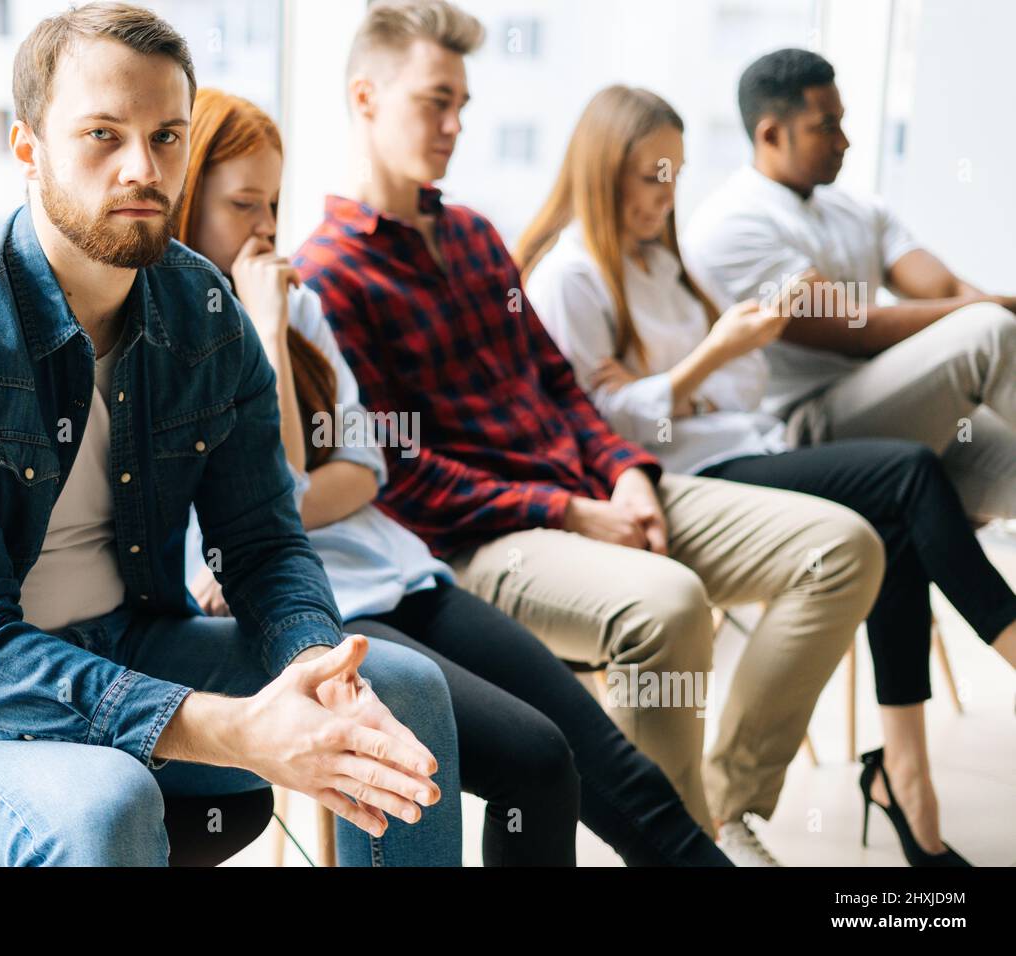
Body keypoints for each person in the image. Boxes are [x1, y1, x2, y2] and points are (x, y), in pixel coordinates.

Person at [0, 1, 464, 868]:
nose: (142, 168)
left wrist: (315, 674)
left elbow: (262, 544)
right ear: (27, 148)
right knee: (108, 806)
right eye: (102, 135)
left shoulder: (207, 310)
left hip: (129, 639)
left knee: (400, 694)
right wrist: (232, 729)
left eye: (168, 136)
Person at [292, 0, 885, 866]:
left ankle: (720, 811)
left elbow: (559, 382)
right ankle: (678, 841)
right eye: (434, 101)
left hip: (591, 488)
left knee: (845, 546)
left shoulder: (476, 238)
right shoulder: (329, 275)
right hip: (484, 540)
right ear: (366, 98)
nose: (456, 124)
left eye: (464, 103)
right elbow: (405, 476)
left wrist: (626, 471)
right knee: (669, 604)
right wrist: (569, 510)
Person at [177, 87, 733, 866]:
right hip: (309, 608)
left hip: (401, 571)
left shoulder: (299, 307)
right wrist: (261, 326)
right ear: (185, 200)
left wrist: (309, 487)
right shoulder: (218, 324)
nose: (268, 230)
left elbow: (364, 471)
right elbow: (281, 493)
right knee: (537, 764)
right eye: (244, 205)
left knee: (602, 757)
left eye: (273, 203)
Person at [519, 83, 1016, 867]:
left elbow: (740, 388)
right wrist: (700, 367)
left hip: (744, 446)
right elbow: (600, 433)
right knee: (911, 473)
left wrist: (677, 381)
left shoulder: (662, 265)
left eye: (675, 172)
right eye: (653, 173)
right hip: (689, 473)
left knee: (898, 510)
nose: (667, 192)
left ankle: (897, 782)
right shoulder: (572, 276)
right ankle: (975, 680)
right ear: (604, 170)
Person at [681, 47, 1016, 525]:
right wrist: (1002, 306)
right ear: (772, 135)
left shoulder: (858, 209)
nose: (844, 142)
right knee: (988, 330)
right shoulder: (730, 222)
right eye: (826, 127)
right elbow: (856, 330)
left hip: (897, 405)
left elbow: (943, 287)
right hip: (808, 427)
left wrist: (993, 306)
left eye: (842, 122)